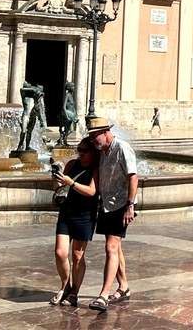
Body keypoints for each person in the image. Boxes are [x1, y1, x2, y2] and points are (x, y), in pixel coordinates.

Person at [89, 117, 138, 312]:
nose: (94, 141)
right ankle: (124, 286)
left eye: (95, 136)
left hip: (121, 205)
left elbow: (133, 177)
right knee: (115, 248)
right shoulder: (102, 151)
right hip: (106, 205)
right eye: (91, 137)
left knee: (111, 247)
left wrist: (130, 205)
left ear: (106, 132)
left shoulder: (122, 148)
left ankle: (103, 295)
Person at [51, 137, 100, 307]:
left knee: (77, 256)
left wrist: (71, 183)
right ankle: (65, 285)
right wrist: (57, 181)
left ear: (93, 152)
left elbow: (92, 191)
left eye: (84, 150)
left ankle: (75, 292)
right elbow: (59, 187)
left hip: (85, 215)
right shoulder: (72, 164)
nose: (80, 153)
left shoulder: (96, 169)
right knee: (60, 252)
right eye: (79, 149)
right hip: (67, 211)